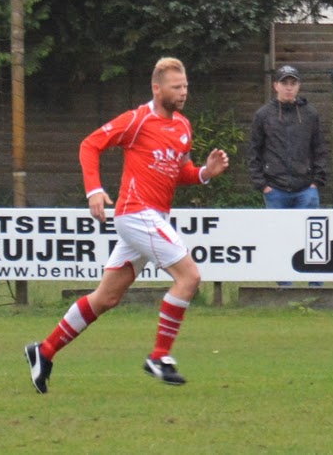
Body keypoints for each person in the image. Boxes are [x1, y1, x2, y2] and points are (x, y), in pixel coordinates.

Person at [23, 57, 229, 393]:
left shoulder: (183, 127)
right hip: (136, 213)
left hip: (151, 218)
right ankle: (159, 356)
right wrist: (94, 189)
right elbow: (90, 145)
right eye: (176, 87)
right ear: (157, 87)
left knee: (106, 298)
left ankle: (43, 352)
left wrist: (205, 173)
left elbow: (179, 174)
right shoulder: (136, 120)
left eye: (186, 86)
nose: (183, 92)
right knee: (189, 276)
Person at [248, 64, 330, 287]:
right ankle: (285, 288)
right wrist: (262, 185)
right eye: (284, 83)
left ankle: (316, 287)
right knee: (280, 240)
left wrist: (316, 182)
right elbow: (254, 151)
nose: (289, 88)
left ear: (299, 86)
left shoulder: (310, 114)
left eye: (293, 83)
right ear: (275, 85)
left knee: (312, 239)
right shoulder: (263, 115)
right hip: (275, 190)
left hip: (306, 189)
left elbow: (320, 149)